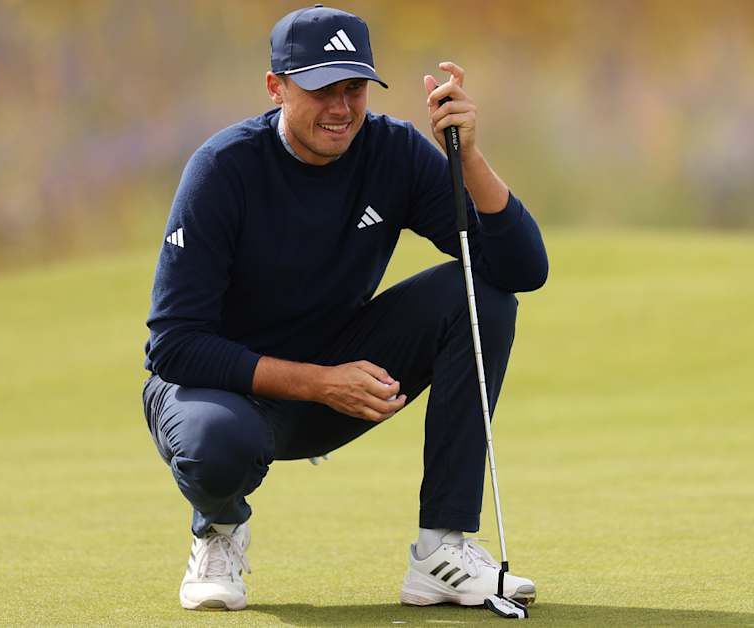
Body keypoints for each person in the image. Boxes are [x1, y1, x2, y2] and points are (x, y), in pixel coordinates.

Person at [140, 4, 547, 613]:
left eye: (353, 88)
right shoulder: (223, 170)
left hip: (337, 379)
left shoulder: (393, 152)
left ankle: (442, 550)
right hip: (218, 392)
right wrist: (318, 382)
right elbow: (173, 345)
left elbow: (520, 271)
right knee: (216, 443)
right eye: (320, 88)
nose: (341, 107)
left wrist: (466, 158)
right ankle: (218, 532)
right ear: (276, 88)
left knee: (481, 300)